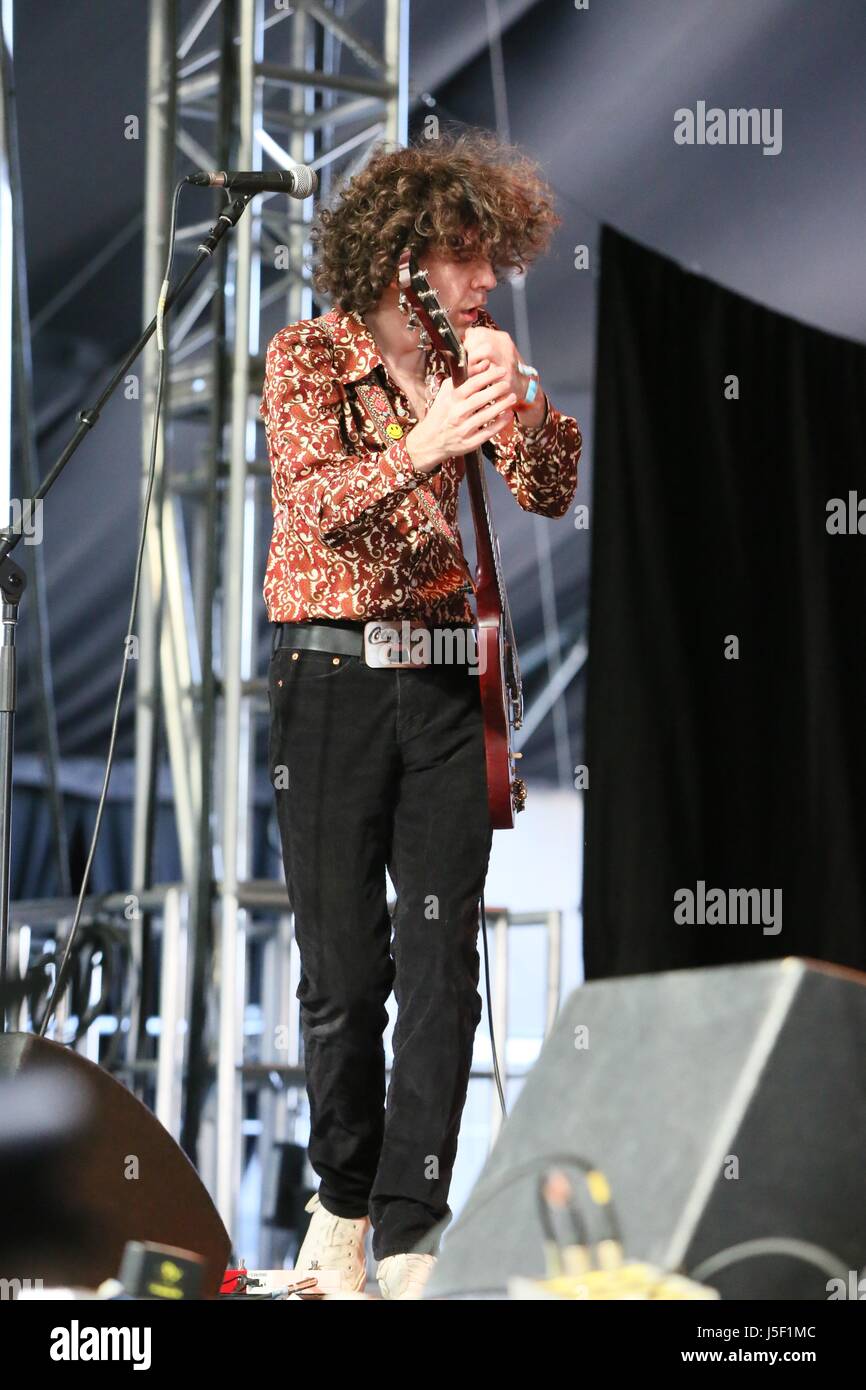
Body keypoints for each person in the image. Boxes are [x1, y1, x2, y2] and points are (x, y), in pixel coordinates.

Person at [259, 129, 582, 1299]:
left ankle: (409, 1228)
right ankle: (339, 1203)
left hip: (446, 686)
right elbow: (310, 502)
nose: (484, 279)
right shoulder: (305, 358)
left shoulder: (470, 359)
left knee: (446, 965)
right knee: (345, 970)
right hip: (333, 684)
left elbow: (547, 490)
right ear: (401, 261)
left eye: (488, 257)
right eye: (461, 256)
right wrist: (423, 442)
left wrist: (522, 407)